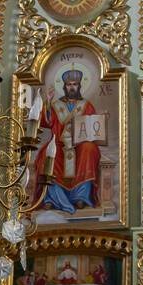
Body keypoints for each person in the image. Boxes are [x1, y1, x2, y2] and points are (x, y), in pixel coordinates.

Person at [32, 69, 101, 213]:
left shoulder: (86, 105)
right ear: (64, 86)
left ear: (79, 86)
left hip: (79, 145)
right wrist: (48, 103)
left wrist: (100, 121)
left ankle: (80, 197)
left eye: (75, 84)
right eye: (69, 84)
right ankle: (51, 198)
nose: (72, 87)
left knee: (90, 149)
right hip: (59, 144)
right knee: (47, 155)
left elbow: (94, 128)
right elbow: (45, 122)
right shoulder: (56, 105)